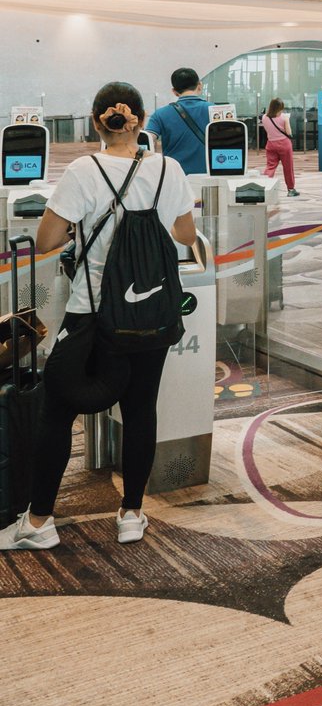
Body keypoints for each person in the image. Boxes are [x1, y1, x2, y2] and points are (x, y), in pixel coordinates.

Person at [0, 83, 196, 551]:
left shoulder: (83, 171)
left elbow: (47, 240)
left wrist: (81, 236)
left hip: (90, 314)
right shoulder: (169, 169)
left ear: (95, 121)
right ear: (142, 121)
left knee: (57, 412)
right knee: (140, 409)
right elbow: (185, 233)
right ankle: (131, 513)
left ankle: (39, 522)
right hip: (150, 312)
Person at [145, 67, 212, 175]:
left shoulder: (160, 114)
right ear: (199, 86)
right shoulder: (216, 111)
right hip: (209, 174)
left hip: (174, 175)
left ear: (175, 91)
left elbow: (148, 140)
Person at [261, 98, 300, 197]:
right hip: (284, 144)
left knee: (270, 167)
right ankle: (291, 189)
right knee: (288, 167)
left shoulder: (264, 117)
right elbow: (289, 132)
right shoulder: (284, 118)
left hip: (271, 144)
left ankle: (264, 187)